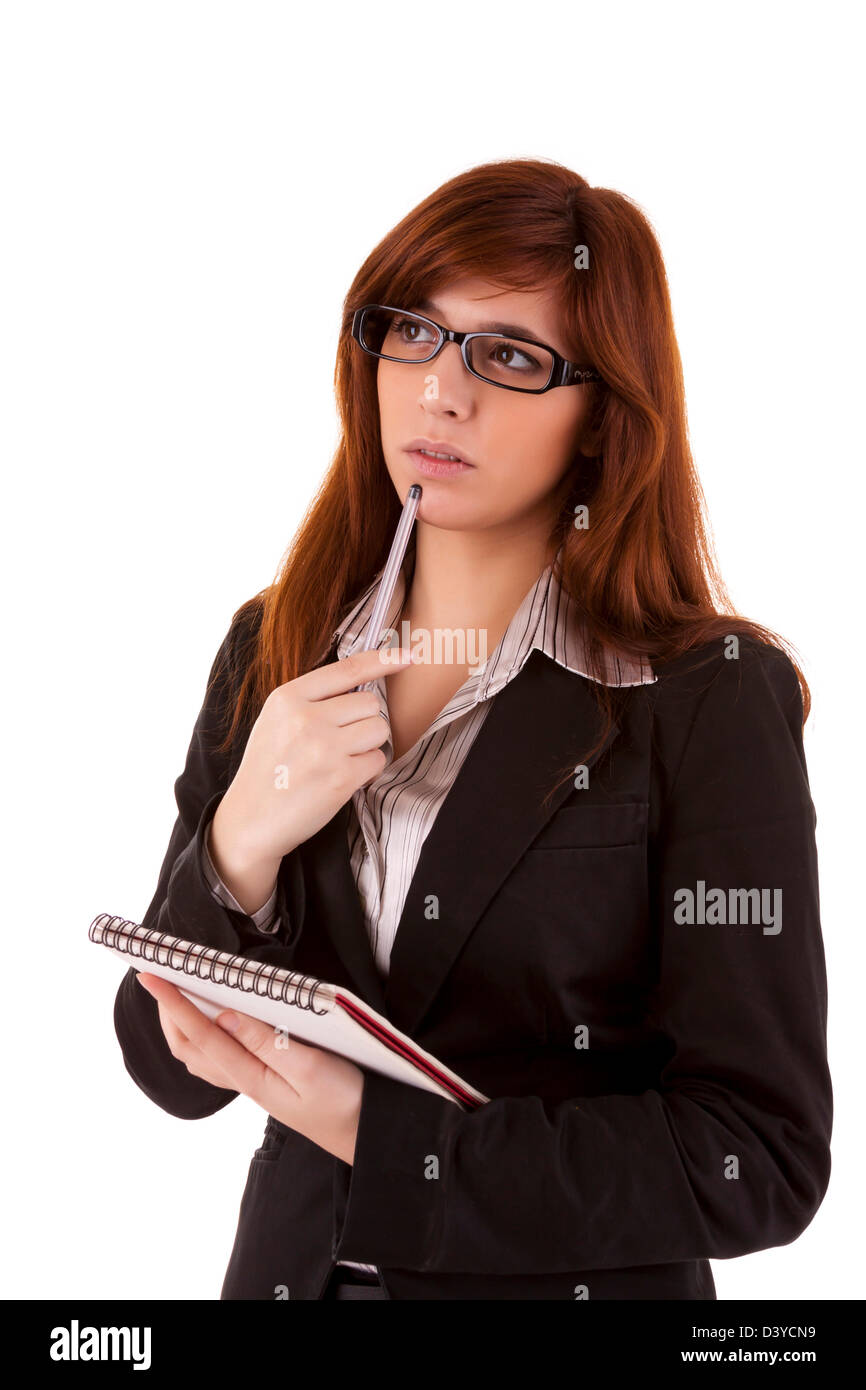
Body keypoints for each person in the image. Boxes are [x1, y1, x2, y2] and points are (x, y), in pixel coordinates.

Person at [112, 157, 832, 1301]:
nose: (441, 393)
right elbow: (171, 1068)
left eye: (508, 355)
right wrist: (241, 839)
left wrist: (388, 1136)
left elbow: (756, 1160)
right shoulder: (277, 643)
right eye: (414, 332)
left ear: (602, 415)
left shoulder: (707, 698)